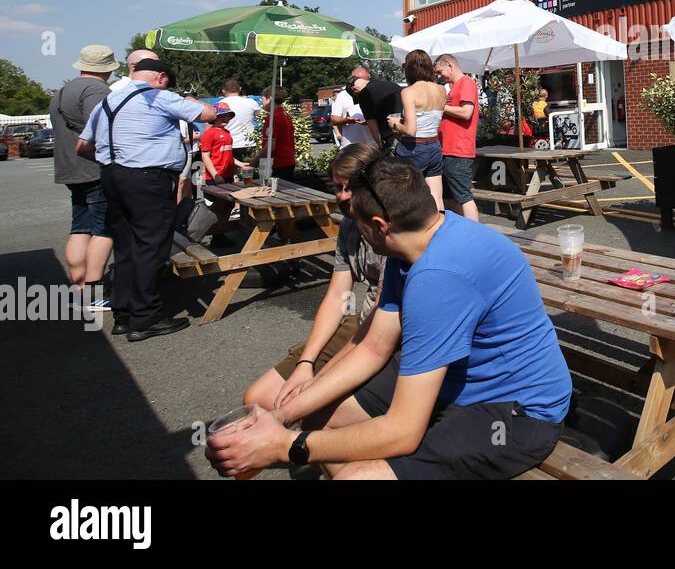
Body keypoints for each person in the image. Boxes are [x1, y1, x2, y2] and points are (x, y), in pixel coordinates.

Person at [206, 157, 572, 480]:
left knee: (357, 477)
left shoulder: (439, 276)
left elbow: (402, 431)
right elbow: (373, 348)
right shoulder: (414, 245)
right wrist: (283, 416)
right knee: (319, 417)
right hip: (458, 379)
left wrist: (285, 447)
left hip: (517, 412)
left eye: (358, 222)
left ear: (379, 225)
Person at [77, 59, 217, 341]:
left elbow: (83, 147)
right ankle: (146, 317)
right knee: (151, 245)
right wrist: (189, 99)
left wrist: (117, 161)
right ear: (161, 77)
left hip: (112, 177)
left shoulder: (106, 102)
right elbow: (209, 114)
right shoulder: (158, 96)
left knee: (125, 245)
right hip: (149, 179)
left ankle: (123, 313)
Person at [243, 143, 384, 414]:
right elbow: (336, 298)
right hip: (364, 319)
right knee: (257, 397)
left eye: (349, 187)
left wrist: (318, 381)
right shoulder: (349, 226)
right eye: (337, 188)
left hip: (384, 330)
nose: (342, 197)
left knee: (308, 410)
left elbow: (381, 324)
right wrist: (305, 364)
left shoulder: (390, 229)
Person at [50, 45, 118, 295]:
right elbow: (100, 128)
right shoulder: (96, 89)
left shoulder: (61, 91)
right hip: (93, 167)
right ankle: (93, 290)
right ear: (108, 69)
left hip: (69, 167)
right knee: (103, 229)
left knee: (80, 227)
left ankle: (78, 285)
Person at [388, 50, 447, 208]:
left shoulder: (408, 92)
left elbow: (410, 130)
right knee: (436, 196)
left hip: (414, 147)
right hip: (434, 146)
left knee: (405, 194)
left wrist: (395, 123)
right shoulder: (441, 90)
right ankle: (439, 229)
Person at [433, 53, 479, 222]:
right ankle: (460, 231)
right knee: (451, 198)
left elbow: (466, 113)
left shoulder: (466, 83)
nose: (439, 76)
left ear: (450, 66)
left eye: (440, 72)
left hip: (458, 149)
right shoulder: (453, 87)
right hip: (448, 149)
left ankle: (474, 237)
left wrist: (441, 106)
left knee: (463, 197)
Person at [347, 66, 402, 153]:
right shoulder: (391, 84)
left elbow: (373, 127)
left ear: (354, 89)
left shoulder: (364, 94)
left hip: (392, 137)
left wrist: (380, 145)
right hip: (408, 131)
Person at [200, 103, 250, 185]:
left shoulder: (227, 132)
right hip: (215, 176)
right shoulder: (209, 133)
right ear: (214, 118)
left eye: (228, 116)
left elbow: (227, 154)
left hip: (228, 174)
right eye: (221, 116)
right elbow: (205, 156)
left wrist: (240, 164)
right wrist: (215, 175)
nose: (226, 118)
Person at [259, 86, 296, 180]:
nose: (261, 102)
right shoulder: (285, 114)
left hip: (277, 163)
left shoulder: (272, 118)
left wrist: (254, 162)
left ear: (270, 98)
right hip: (288, 162)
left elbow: (271, 146)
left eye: (262, 99)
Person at [219, 79, 260, 164]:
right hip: (249, 144)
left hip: (228, 145)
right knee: (249, 174)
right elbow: (261, 116)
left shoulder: (219, 105)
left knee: (231, 174)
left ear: (223, 91)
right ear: (240, 89)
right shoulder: (251, 102)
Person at [329, 83, 370, 147]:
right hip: (350, 142)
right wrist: (346, 120)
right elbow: (334, 120)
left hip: (371, 141)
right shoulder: (342, 96)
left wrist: (369, 121)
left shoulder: (371, 91)